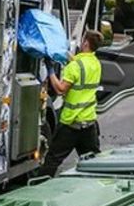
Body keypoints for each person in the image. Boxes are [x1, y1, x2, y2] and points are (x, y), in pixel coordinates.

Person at [39, 29, 104, 178]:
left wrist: (50, 71)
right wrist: (65, 53)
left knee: (52, 160)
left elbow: (61, 89)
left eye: (82, 40)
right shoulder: (95, 63)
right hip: (89, 123)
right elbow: (79, 63)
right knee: (94, 162)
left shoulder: (74, 67)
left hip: (71, 124)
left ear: (85, 43)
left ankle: (39, 187)